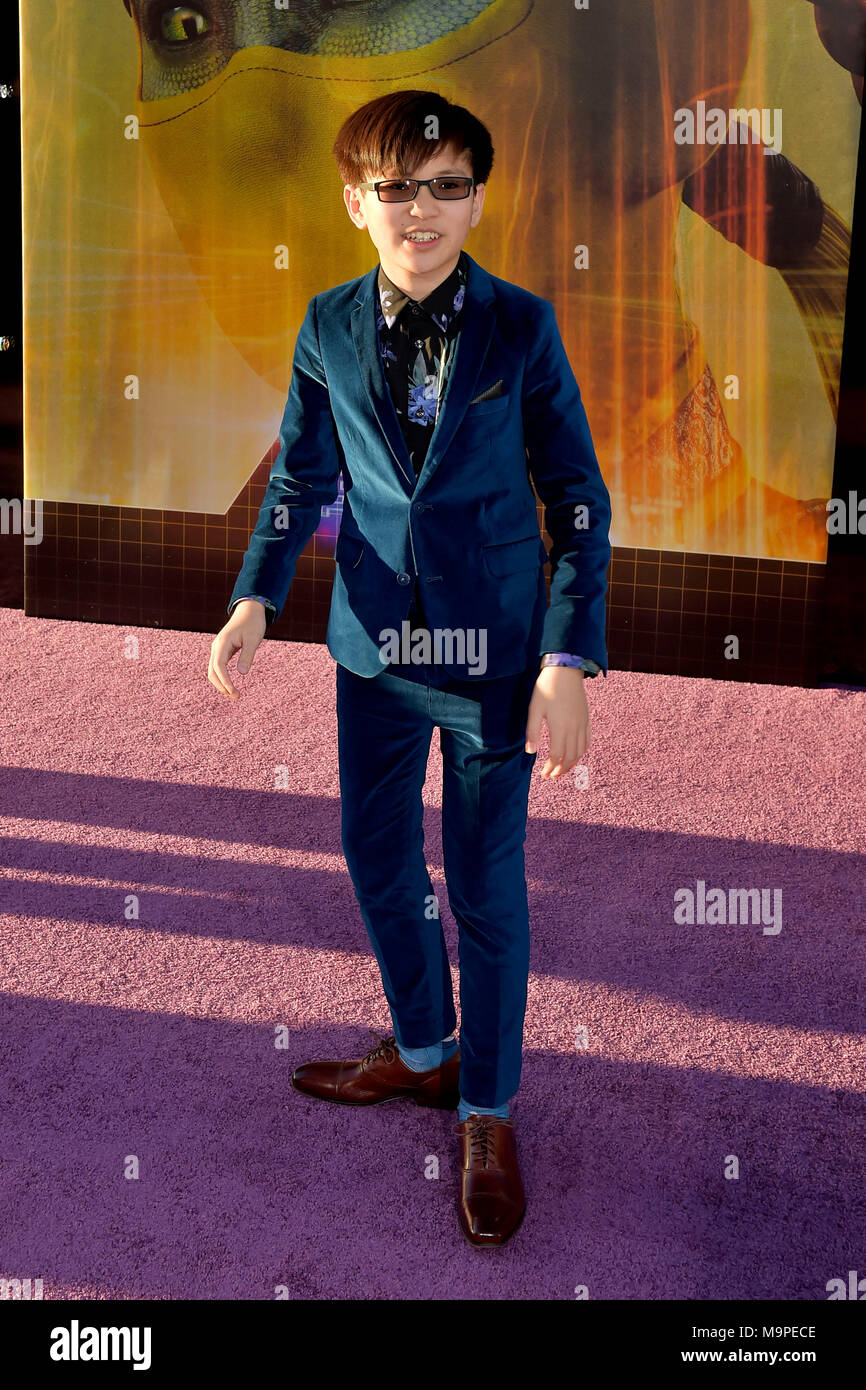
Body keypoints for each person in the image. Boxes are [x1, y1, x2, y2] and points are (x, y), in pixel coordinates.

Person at [208, 90, 612, 1248]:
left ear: (476, 200)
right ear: (355, 201)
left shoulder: (521, 327)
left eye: (445, 186)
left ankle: (486, 1107)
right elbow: (300, 477)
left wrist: (565, 654)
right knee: (375, 852)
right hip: (373, 649)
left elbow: (575, 497)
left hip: (494, 655)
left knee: (482, 883)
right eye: (396, 186)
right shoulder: (325, 323)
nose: (420, 208)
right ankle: (425, 1049)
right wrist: (254, 597)